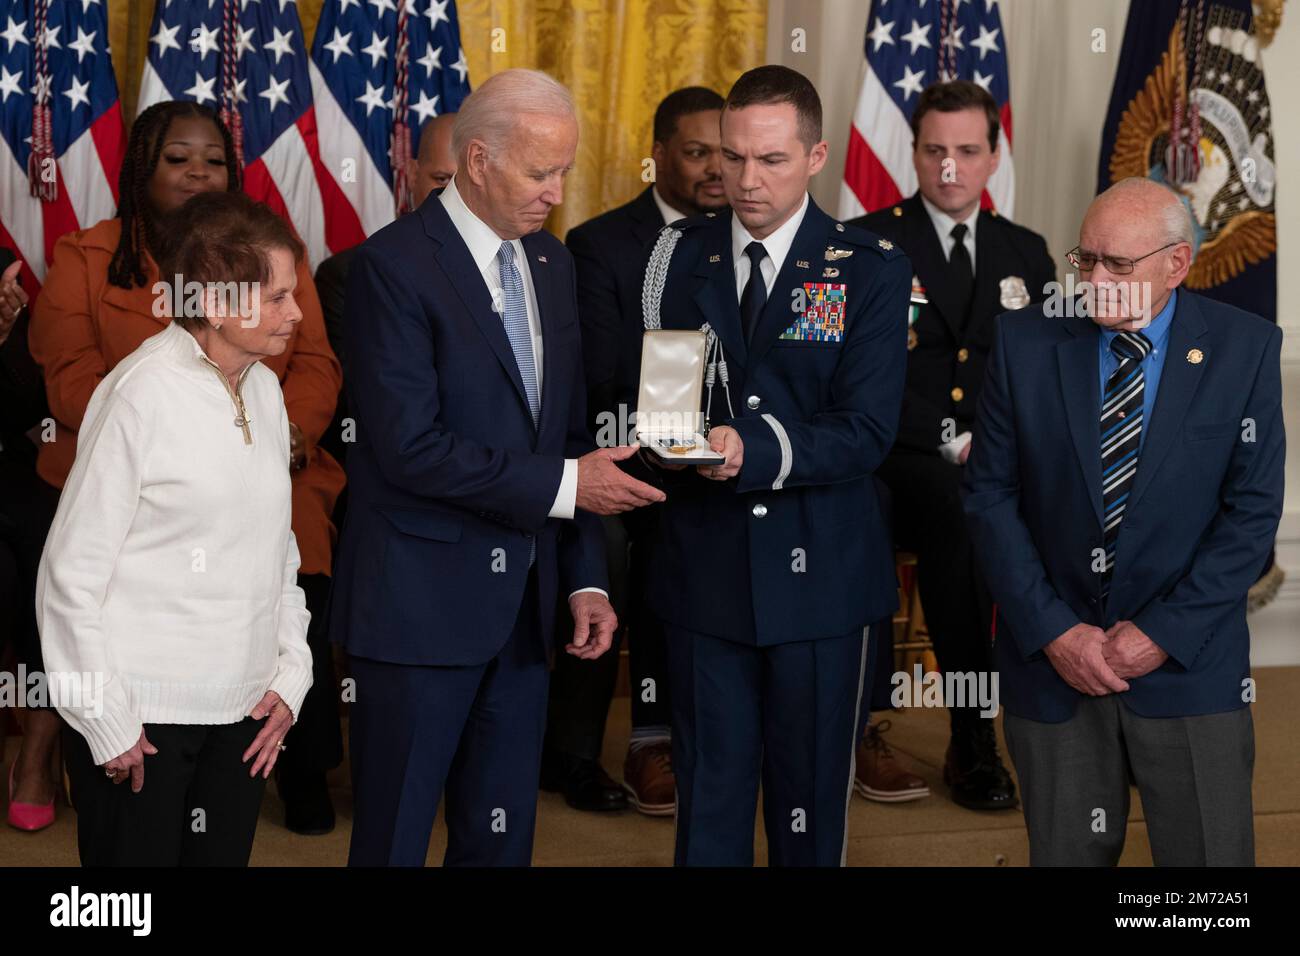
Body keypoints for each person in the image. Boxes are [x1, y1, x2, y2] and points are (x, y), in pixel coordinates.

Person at [331, 69, 665, 867]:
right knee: (394, 841)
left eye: (564, 173)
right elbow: (411, 446)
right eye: (539, 172)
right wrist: (567, 488)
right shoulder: (389, 269)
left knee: (499, 842)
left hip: (525, 612)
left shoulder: (550, 265)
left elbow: (570, 437)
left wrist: (584, 578)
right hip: (417, 611)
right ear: (478, 161)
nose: (556, 192)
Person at [28, 101, 345, 836]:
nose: (298, 313)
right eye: (277, 297)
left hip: (240, 711)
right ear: (215, 301)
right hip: (144, 715)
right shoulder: (137, 396)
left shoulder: (263, 388)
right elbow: (70, 578)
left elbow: (280, 555)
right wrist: (105, 722)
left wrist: (291, 680)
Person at [962, 177, 1284, 865]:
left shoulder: (1245, 349)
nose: (1096, 281)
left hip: (1189, 666)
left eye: (1119, 264)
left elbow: (1251, 516)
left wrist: (1162, 634)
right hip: (1056, 668)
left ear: (1177, 264)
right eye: (1087, 260)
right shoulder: (1023, 345)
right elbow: (989, 497)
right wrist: (1056, 632)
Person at [636, 65, 909, 866]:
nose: (744, 181)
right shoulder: (675, 257)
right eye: (731, 158)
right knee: (710, 799)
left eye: (771, 161)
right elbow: (662, 404)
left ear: (817, 156)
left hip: (820, 572)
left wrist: (756, 453)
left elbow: (865, 431)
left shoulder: (868, 266)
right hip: (704, 569)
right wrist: (672, 443)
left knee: (809, 802)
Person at [849, 80, 1056, 809]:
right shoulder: (865, 245)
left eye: (967, 151)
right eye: (935, 150)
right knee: (961, 511)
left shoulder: (1026, 253)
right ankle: (973, 738)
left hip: (994, 457)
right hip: (894, 459)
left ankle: (1077, 710)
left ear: (993, 156)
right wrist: (949, 438)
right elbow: (852, 378)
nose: (949, 168)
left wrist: (992, 444)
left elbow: (1044, 376)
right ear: (912, 152)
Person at [549, 86, 726, 816]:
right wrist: (671, 445)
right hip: (619, 451)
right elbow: (601, 375)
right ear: (657, 157)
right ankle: (601, 750)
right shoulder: (600, 243)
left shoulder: (750, 235)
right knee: (626, 542)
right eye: (697, 152)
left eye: (730, 152)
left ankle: (736, 740)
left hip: (727, 452)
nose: (718, 169)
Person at [0, 249, 61, 832]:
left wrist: (4, 337)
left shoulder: (4, 274)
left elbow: (31, 408)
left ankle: (37, 757)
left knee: (49, 569)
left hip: (16, 474)